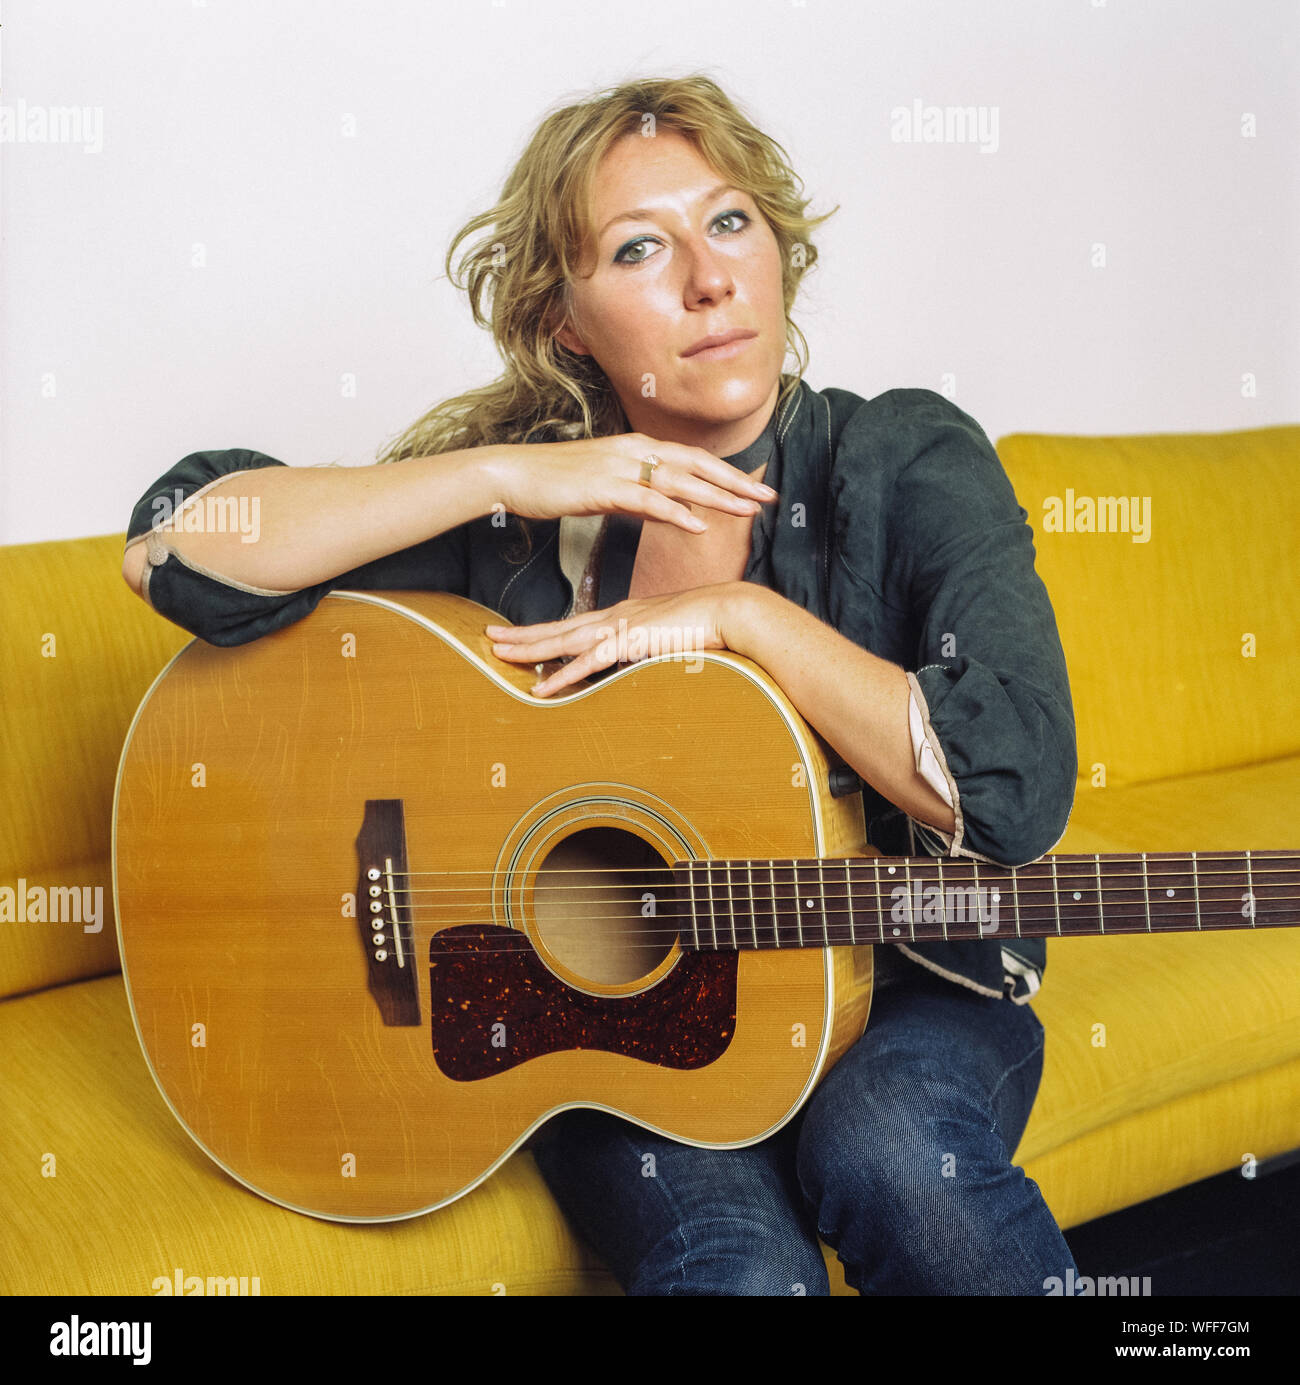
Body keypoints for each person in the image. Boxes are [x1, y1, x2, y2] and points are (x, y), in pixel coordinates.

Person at [122, 73, 1079, 1295]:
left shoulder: (902, 456)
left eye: (729, 222)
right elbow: (172, 548)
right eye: (640, 248)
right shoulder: (523, 526)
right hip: (610, 1023)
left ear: (778, 248)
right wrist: (500, 479)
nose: (708, 277)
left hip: (904, 994)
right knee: (735, 1268)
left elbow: (1011, 789)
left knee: (892, 1151)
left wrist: (743, 616)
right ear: (567, 322)